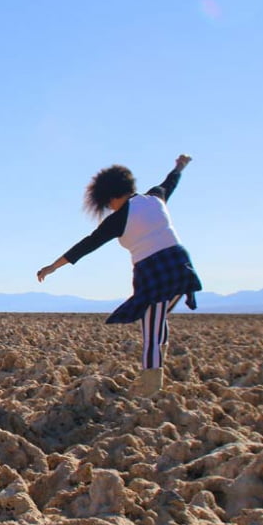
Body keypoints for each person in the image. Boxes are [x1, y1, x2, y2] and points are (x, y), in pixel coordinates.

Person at [36, 154, 202, 396]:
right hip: (181, 266)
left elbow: (87, 245)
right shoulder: (156, 196)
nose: (109, 208)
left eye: (107, 204)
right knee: (156, 321)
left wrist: (52, 267)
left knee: (151, 333)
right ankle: (153, 379)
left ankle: (150, 387)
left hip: (155, 273)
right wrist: (180, 166)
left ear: (111, 196)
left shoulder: (119, 217)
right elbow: (171, 181)